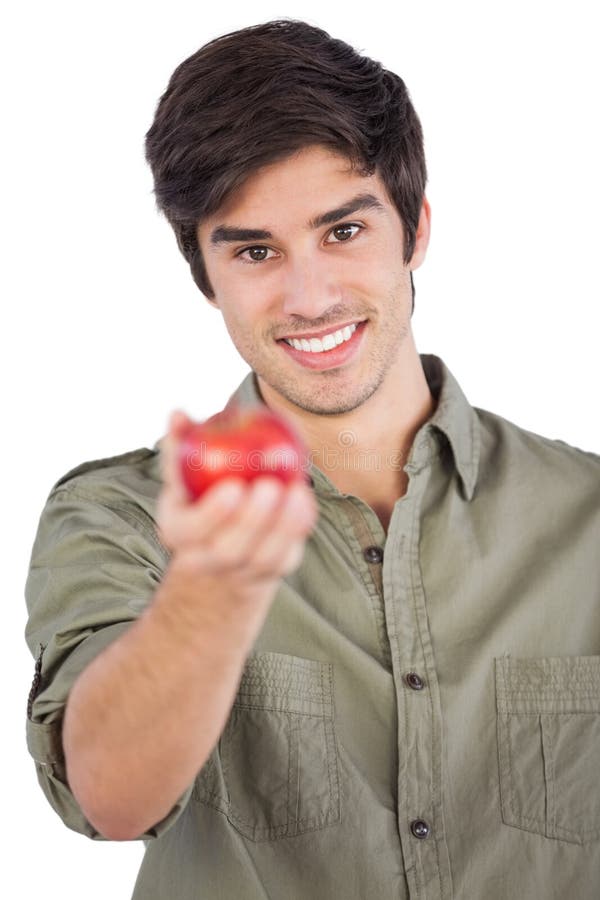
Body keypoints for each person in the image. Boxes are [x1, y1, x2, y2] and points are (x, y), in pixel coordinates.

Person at [25, 18, 600, 900]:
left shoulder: (588, 514)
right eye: (255, 251)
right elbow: (111, 798)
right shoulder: (120, 517)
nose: (308, 296)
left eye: (342, 232)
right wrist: (212, 589)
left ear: (414, 231)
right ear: (204, 277)